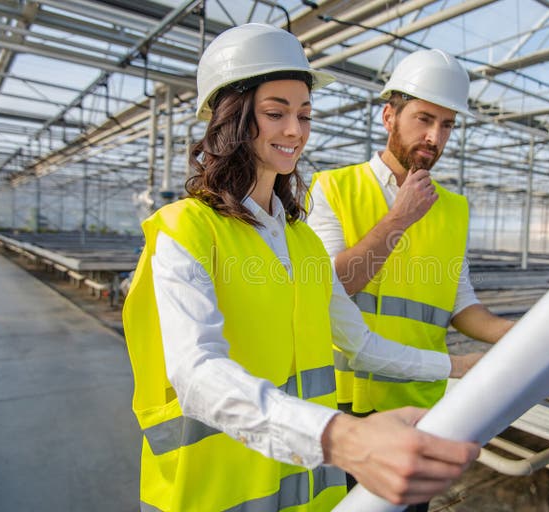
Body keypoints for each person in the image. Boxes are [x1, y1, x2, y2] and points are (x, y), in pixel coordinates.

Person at [122, 24, 480, 512]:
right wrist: (343, 438)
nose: (295, 130)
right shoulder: (185, 230)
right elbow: (197, 372)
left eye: (305, 115)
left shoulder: (304, 245)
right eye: (275, 113)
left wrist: (458, 368)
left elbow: (361, 346)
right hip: (209, 496)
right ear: (231, 118)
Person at [308, 49, 515, 417]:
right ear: (389, 116)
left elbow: (460, 303)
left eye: (447, 124)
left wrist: (519, 334)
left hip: (420, 400)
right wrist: (399, 218)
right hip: (341, 399)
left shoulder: (453, 209)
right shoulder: (333, 188)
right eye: (424, 119)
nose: (435, 137)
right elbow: (331, 286)